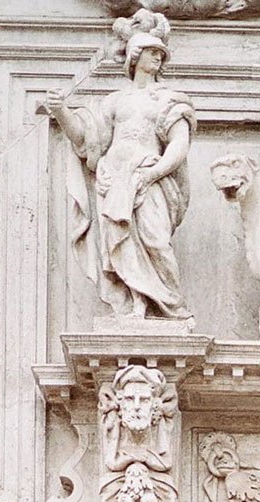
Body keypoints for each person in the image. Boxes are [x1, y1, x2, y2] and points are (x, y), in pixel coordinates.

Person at [48, 9, 195, 321]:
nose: (159, 57)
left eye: (161, 53)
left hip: (150, 176)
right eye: (153, 52)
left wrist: (153, 173)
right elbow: (86, 140)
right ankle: (135, 306)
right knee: (120, 245)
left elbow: (179, 145)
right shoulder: (115, 101)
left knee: (155, 239)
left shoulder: (168, 98)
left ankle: (172, 306)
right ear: (135, 56)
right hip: (115, 179)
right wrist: (61, 111)